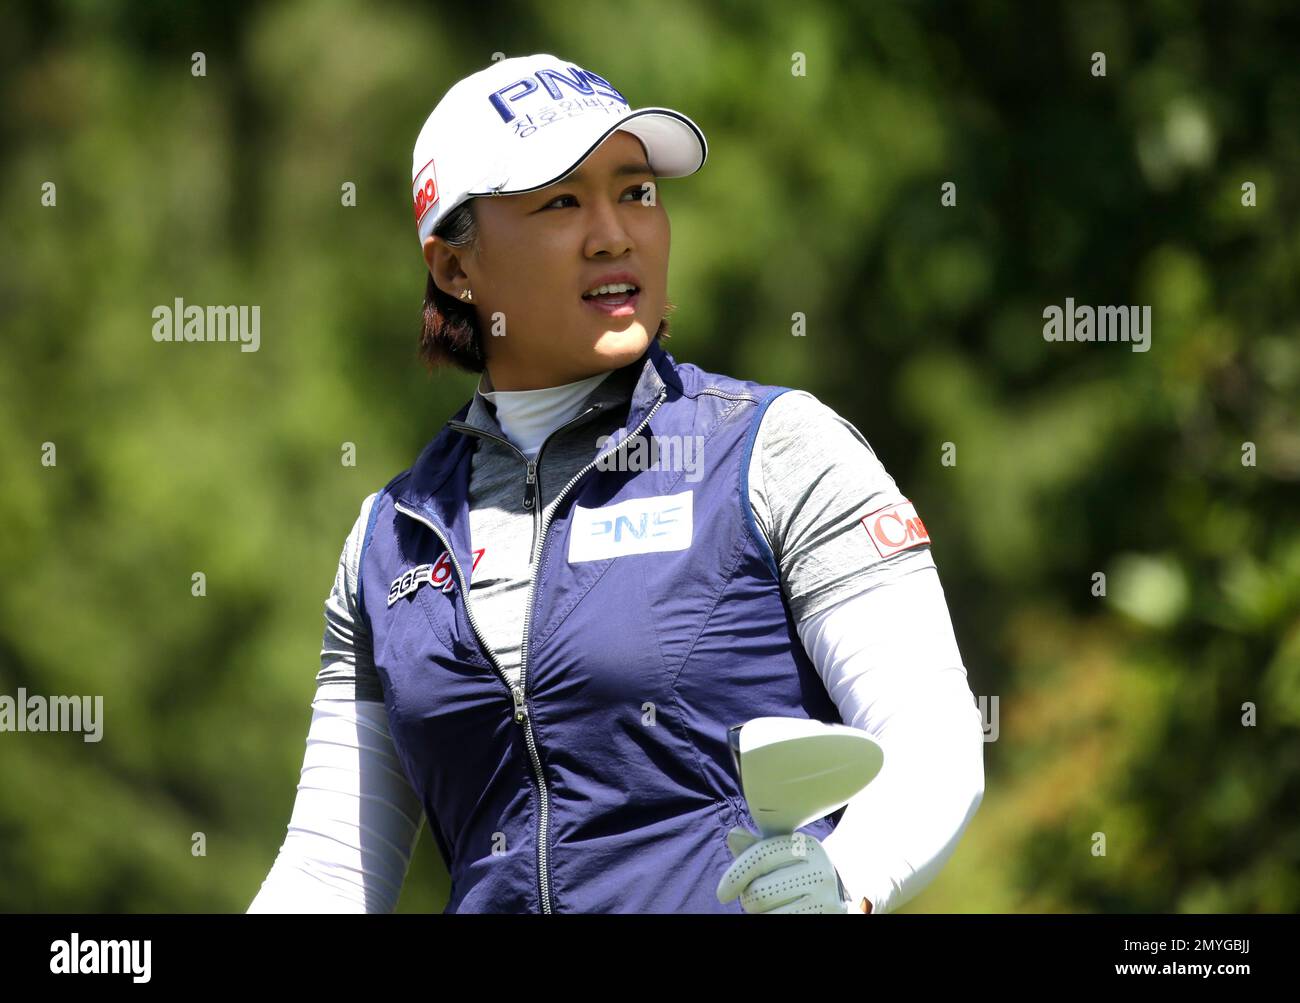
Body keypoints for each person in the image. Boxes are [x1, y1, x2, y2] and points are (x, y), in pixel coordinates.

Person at [247, 53, 984, 915]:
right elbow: (328, 876)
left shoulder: (776, 449)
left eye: (635, 192)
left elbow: (933, 744)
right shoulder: (388, 538)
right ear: (454, 268)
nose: (614, 233)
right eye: (561, 201)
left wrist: (845, 880)